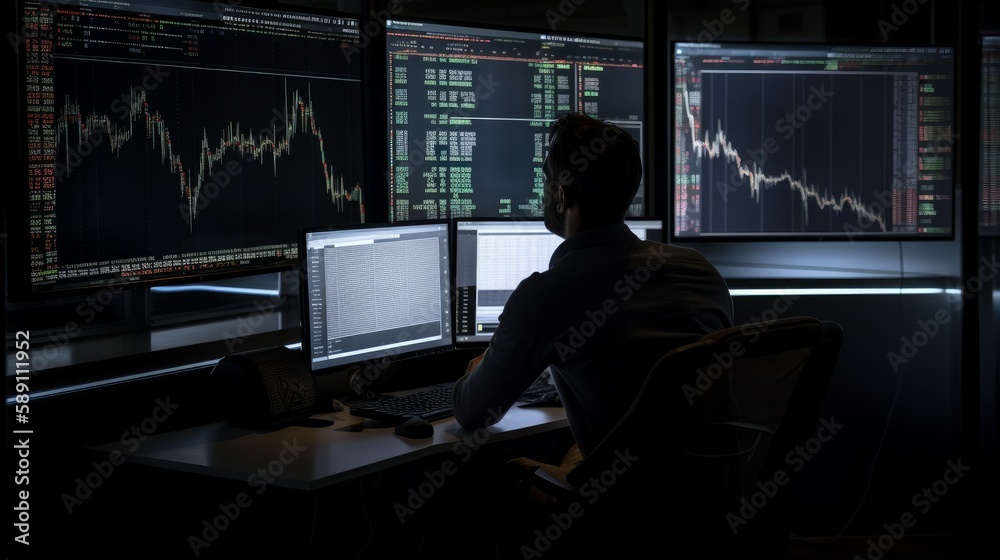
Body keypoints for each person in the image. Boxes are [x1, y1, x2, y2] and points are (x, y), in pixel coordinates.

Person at [452, 112, 735, 463]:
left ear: (562, 194)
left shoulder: (544, 297)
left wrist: (481, 368)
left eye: (546, 181)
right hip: (711, 492)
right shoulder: (701, 271)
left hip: (619, 505)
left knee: (494, 471)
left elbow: (472, 414)